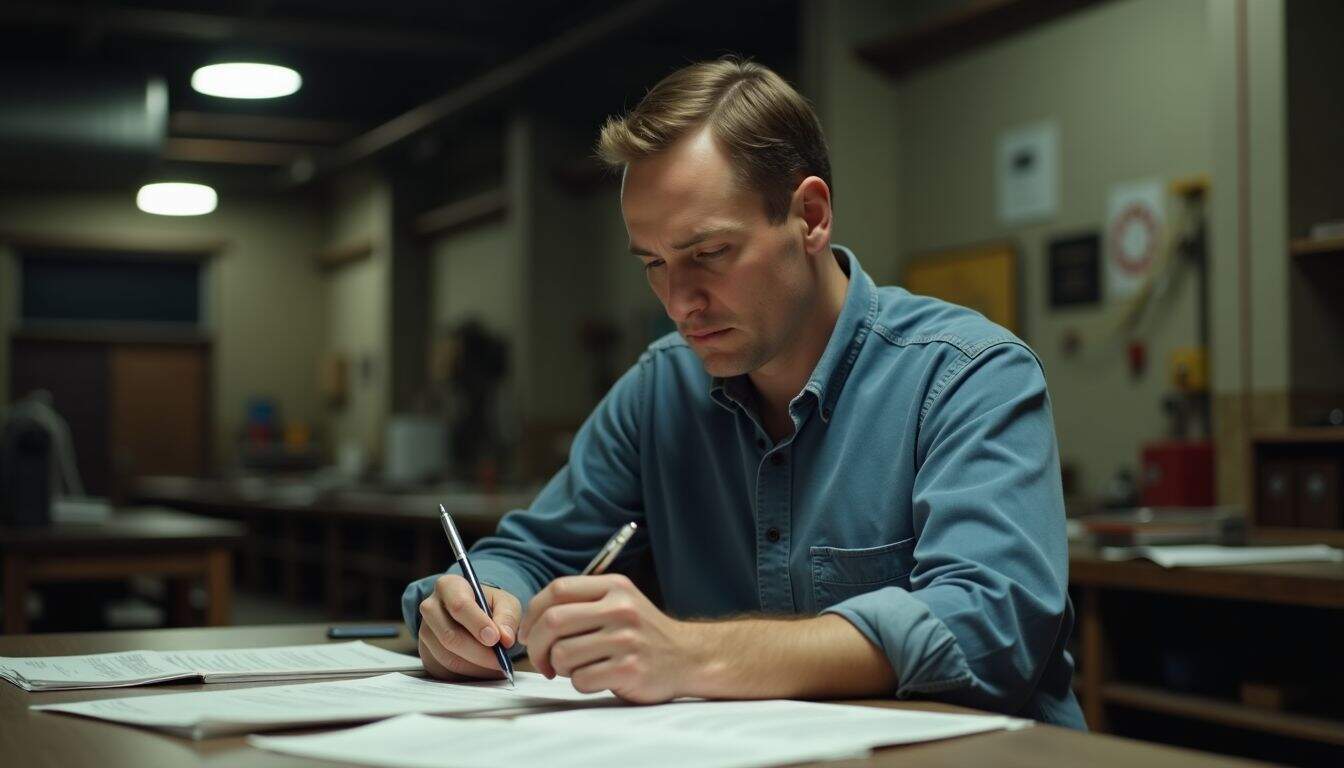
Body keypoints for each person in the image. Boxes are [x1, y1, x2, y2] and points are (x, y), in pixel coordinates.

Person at [402, 57, 1085, 728]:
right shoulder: (659, 389)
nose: (679, 304)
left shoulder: (968, 375)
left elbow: (990, 628)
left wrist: (692, 654)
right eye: (655, 265)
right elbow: (530, 555)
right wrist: (479, 601)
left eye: (709, 254)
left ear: (811, 216)